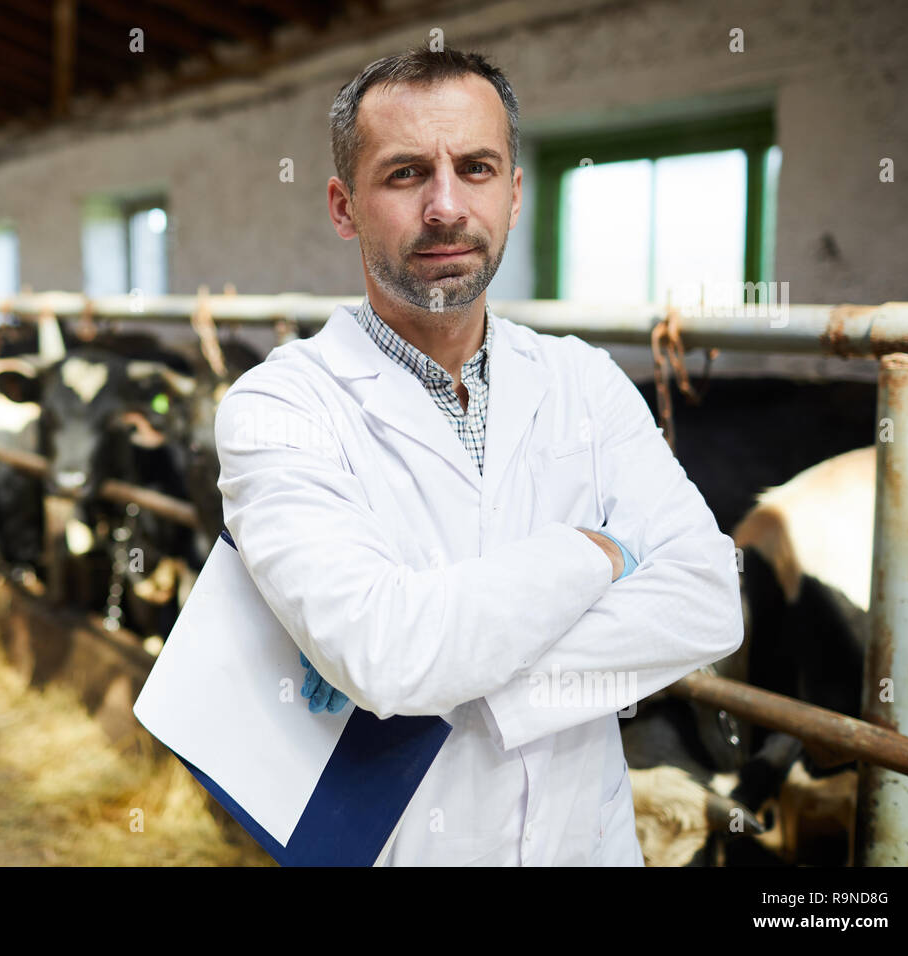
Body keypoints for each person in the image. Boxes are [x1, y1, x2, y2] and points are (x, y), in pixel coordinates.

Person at [213, 47, 743, 865]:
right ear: (343, 205)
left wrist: (462, 676)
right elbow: (385, 654)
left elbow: (708, 600)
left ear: (516, 192)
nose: (446, 205)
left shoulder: (584, 381)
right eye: (404, 174)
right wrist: (596, 554)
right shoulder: (281, 407)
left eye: (477, 167)